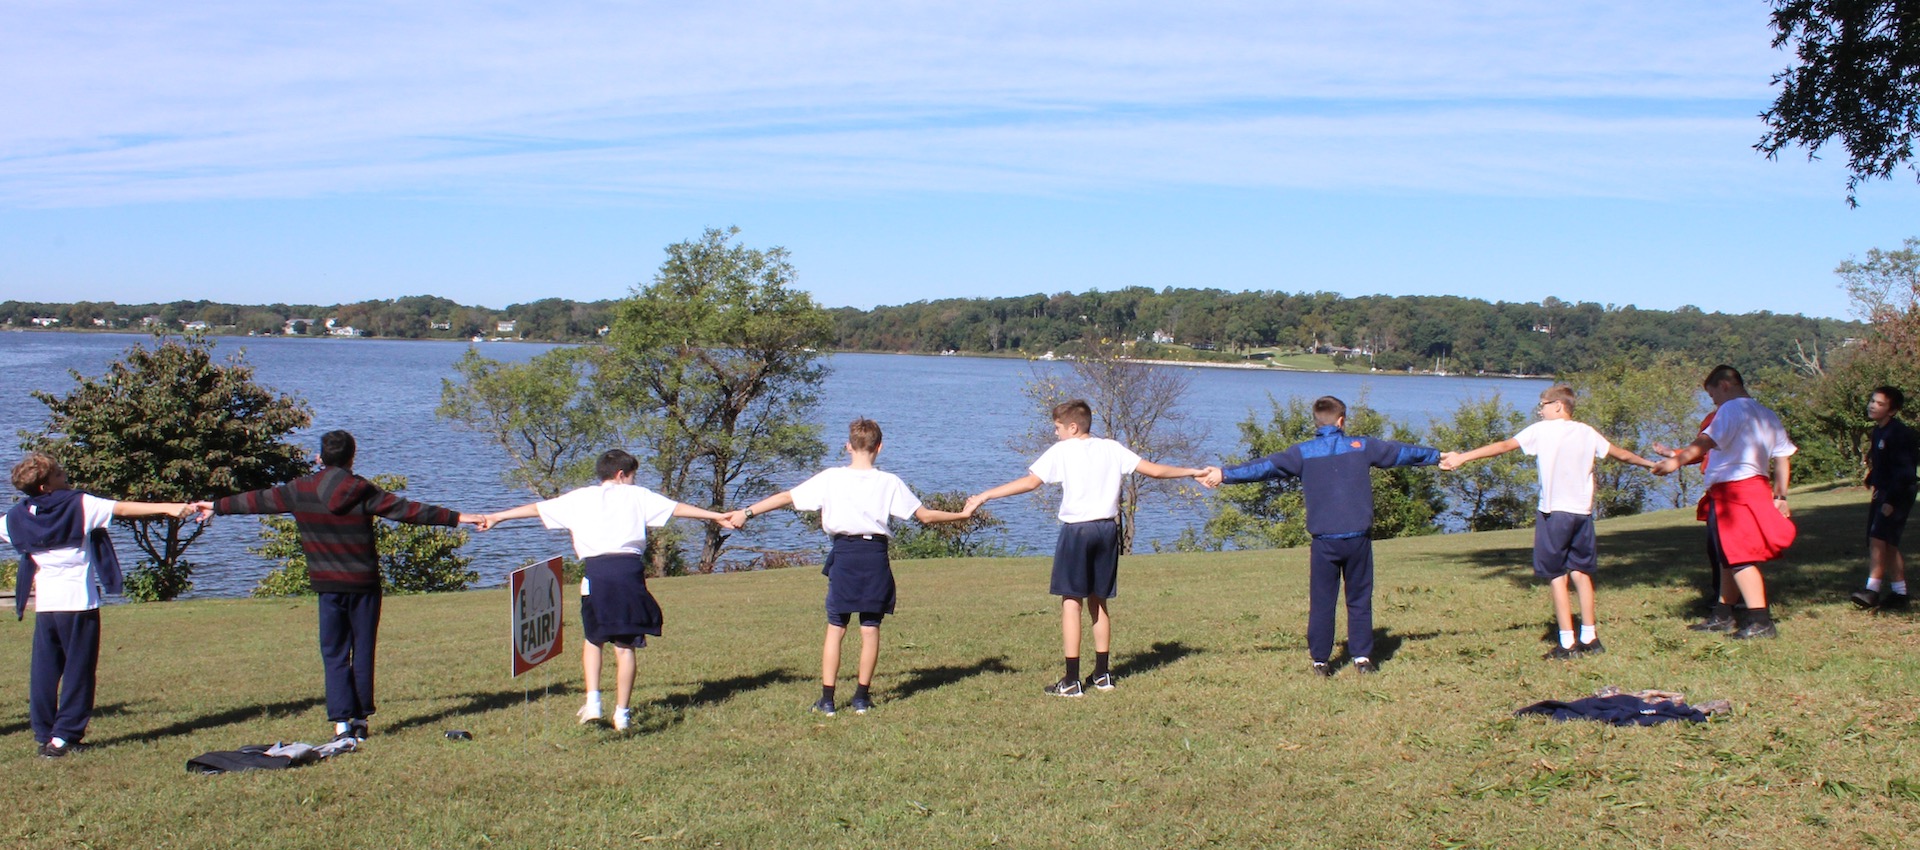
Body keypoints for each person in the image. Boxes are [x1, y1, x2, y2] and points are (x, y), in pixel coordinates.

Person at [192, 430, 481, 742]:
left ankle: (341, 725)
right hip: (364, 584)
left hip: (328, 586)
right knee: (363, 650)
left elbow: (256, 500)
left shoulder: (298, 490)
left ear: (321, 456)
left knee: (334, 653)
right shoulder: (361, 489)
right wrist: (460, 517)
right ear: (351, 457)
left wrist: (215, 506)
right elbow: (409, 511)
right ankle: (360, 720)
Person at [478, 449, 738, 731]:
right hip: (628, 572)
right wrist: (716, 516)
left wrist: (497, 517)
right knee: (625, 648)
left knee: (593, 639)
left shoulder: (579, 497)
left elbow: (536, 509)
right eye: (633, 476)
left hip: (595, 573)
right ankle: (622, 714)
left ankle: (593, 702)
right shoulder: (638, 496)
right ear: (621, 475)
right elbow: (678, 509)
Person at [728, 418, 971, 716]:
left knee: (836, 627)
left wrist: (746, 512)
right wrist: (961, 514)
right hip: (875, 556)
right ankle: (860, 698)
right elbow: (926, 517)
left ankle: (828, 701)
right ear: (879, 448)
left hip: (844, 555)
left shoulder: (830, 478)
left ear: (848, 446)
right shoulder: (889, 482)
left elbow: (786, 497)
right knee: (870, 628)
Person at [965, 399, 1207, 697]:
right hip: (1107, 530)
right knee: (1099, 601)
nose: (1055, 434)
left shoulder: (1063, 451)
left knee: (1071, 602)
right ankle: (1103, 674)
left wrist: (985, 496)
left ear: (1073, 427)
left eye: (1057, 428)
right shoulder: (1112, 448)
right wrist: (1193, 471)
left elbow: (1030, 483)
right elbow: (1154, 471)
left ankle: (1071, 681)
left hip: (1077, 531)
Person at [1198, 395, 1441, 676]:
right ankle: (1362, 658)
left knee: (1323, 601)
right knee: (1359, 598)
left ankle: (1320, 662)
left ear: (1316, 422)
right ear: (1341, 421)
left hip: (1324, 542)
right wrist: (1439, 457)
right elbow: (1402, 453)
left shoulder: (1302, 452)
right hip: (1358, 539)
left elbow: (1263, 467)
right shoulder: (1362, 446)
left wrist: (1223, 474)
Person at [1439, 386, 1657, 659]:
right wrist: (1651, 465)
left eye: (1542, 405)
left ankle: (1567, 643)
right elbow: (1622, 454)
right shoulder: (1587, 431)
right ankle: (1590, 637)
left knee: (1556, 575)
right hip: (1582, 513)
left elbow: (1503, 446)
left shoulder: (1542, 430)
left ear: (1558, 406)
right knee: (1581, 571)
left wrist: (1463, 457)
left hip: (1554, 513)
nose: (1540, 410)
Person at [4, 453, 195, 757]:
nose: (64, 476)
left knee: (44, 670)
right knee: (79, 671)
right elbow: (123, 508)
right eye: (58, 474)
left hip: (46, 605)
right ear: (45, 486)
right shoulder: (79, 504)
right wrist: (171, 508)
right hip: (78, 603)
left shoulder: (17, 517)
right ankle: (63, 738)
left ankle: (44, 732)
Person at [1652, 366, 1796, 639]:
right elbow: (1783, 457)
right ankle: (1722, 614)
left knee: (1741, 556)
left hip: (1735, 491)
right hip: (1751, 488)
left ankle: (1760, 620)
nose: (1713, 401)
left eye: (1712, 394)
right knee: (1727, 558)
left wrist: (1674, 462)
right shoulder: (1766, 414)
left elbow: (1704, 442)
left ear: (1725, 385)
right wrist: (1780, 496)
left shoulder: (1729, 410)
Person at [1853, 386, 1916, 610]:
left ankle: (1872, 590)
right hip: (1883, 490)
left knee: (1878, 538)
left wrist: (1891, 501)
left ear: (1892, 410)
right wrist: (1872, 477)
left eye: (1880, 404)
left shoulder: (1899, 433)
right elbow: (1883, 463)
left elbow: (1905, 472)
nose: (1872, 406)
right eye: (1872, 401)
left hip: (1898, 493)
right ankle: (1900, 594)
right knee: (1887, 543)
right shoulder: (1879, 431)